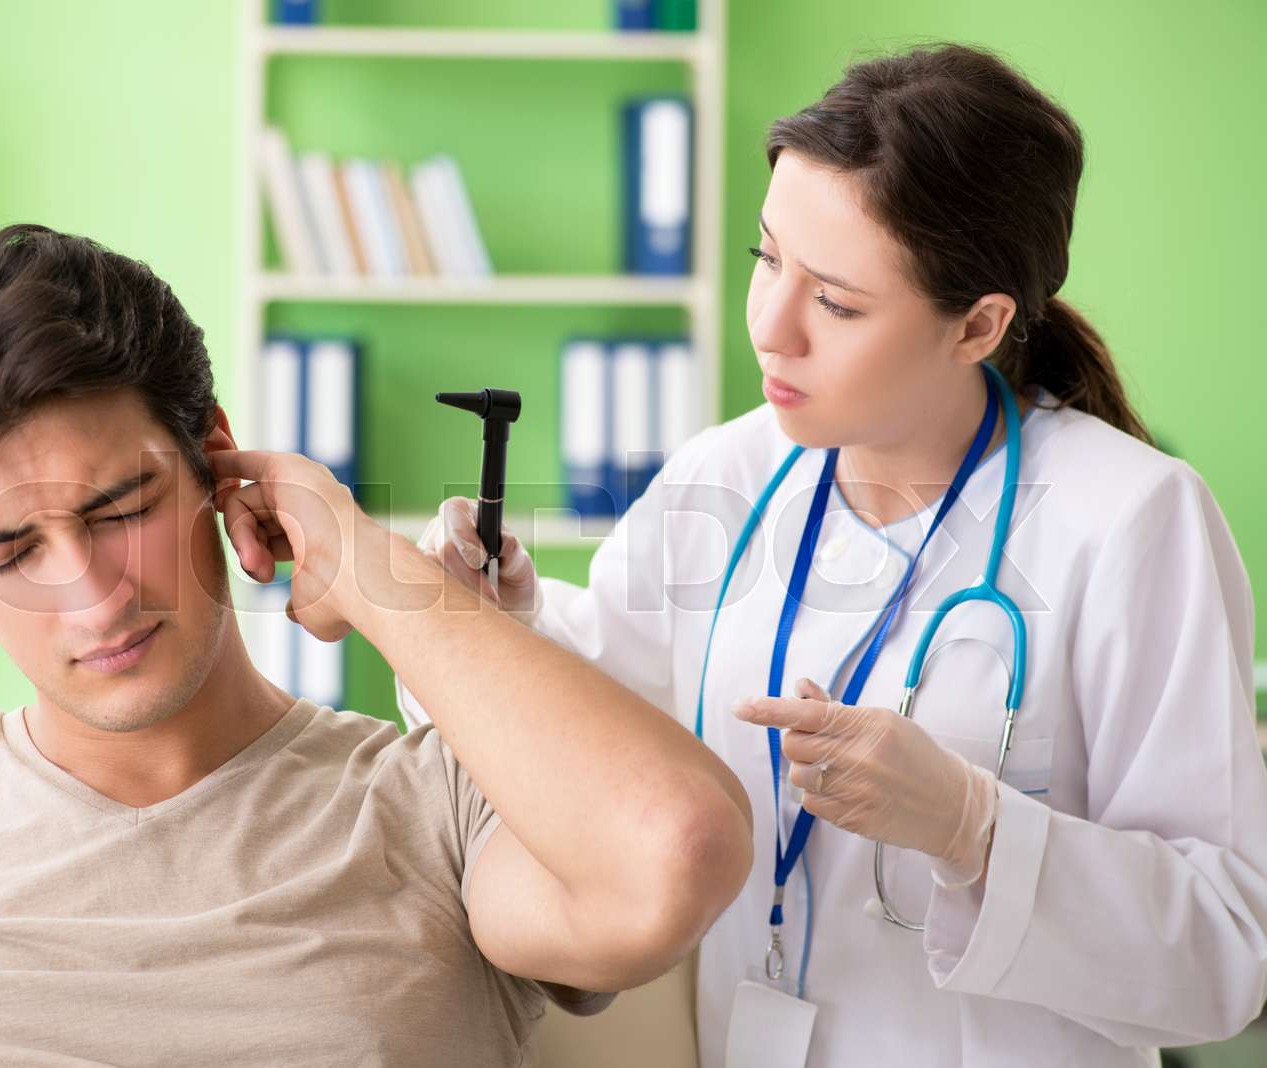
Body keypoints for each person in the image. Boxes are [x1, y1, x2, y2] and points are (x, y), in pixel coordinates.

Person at [0, 224, 756, 1067]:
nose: (92, 597)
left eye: (120, 509)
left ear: (217, 464)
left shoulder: (440, 813)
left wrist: (371, 569)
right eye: (10, 554)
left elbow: (675, 852)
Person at [401, 43, 1267, 1067]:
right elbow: (604, 747)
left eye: (837, 302)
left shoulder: (1131, 518)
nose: (768, 329)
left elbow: (1227, 960)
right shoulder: (723, 475)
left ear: (977, 325)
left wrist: (967, 826)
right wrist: (499, 631)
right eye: (767, 259)